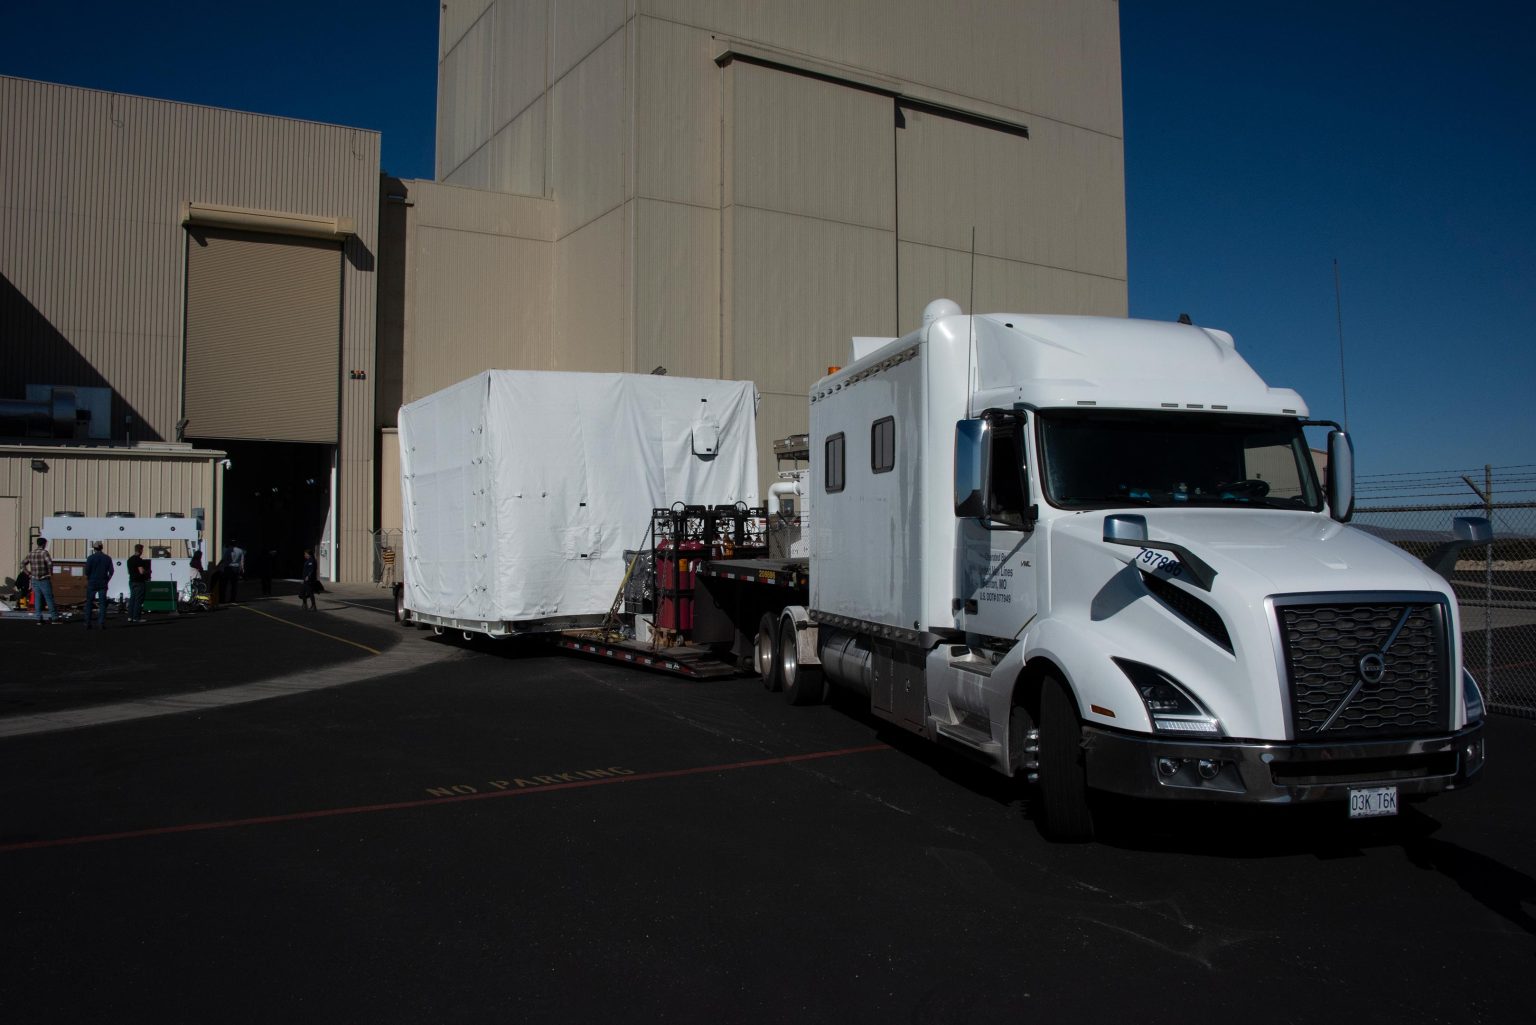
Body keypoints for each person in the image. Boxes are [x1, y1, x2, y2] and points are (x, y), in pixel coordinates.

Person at [23, 537, 56, 625]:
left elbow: (23, 563)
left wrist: (28, 573)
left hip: (34, 578)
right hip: (44, 578)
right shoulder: (44, 553)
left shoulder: (31, 553)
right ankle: (54, 617)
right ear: (44, 544)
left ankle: (38, 618)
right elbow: (49, 563)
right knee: (49, 598)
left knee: (37, 598)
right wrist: (50, 573)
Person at [84, 541, 114, 629]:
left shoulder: (90, 558)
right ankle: (101, 623)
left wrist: (89, 578)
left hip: (92, 582)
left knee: (89, 603)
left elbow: (87, 571)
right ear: (102, 547)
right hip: (103, 582)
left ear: (94, 548)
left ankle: (87, 623)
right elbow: (111, 572)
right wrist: (107, 580)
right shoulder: (107, 558)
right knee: (102, 604)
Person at [126, 543, 151, 623]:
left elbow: (128, 572)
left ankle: (130, 617)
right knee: (138, 600)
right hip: (139, 582)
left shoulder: (129, 560)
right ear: (140, 550)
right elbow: (141, 571)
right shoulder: (139, 560)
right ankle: (136, 617)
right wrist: (148, 572)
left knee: (132, 599)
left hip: (132, 581)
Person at [223, 539, 246, 604]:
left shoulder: (228, 550)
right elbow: (242, 561)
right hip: (236, 568)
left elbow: (224, 559)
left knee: (225, 584)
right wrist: (242, 569)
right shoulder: (240, 550)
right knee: (234, 585)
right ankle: (233, 598)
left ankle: (223, 598)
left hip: (228, 567)